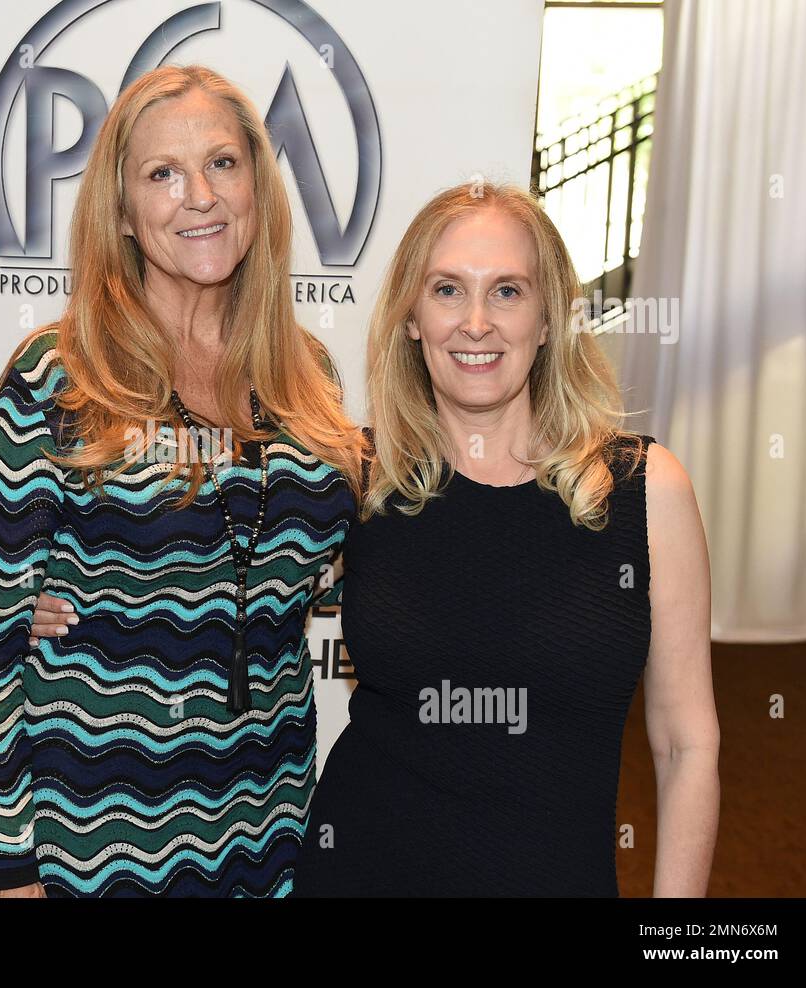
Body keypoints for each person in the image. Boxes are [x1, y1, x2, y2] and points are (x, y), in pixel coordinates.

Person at [0, 65, 366, 897]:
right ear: (122, 212)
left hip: (272, 836)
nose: (200, 196)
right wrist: (4, 870)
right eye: (162, 173)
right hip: (90, 846)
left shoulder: (306, 374)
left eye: (222, 163)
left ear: (258, 183)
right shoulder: (59, 375)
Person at [292, 182, 720, 896]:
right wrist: (53, 599)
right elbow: (209, 583)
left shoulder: (646, 490)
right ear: (411, 319)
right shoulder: (355, 478)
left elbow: (686, 744)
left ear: (549, 320)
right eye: (448, 290)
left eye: (509, 292)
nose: (477, 323)